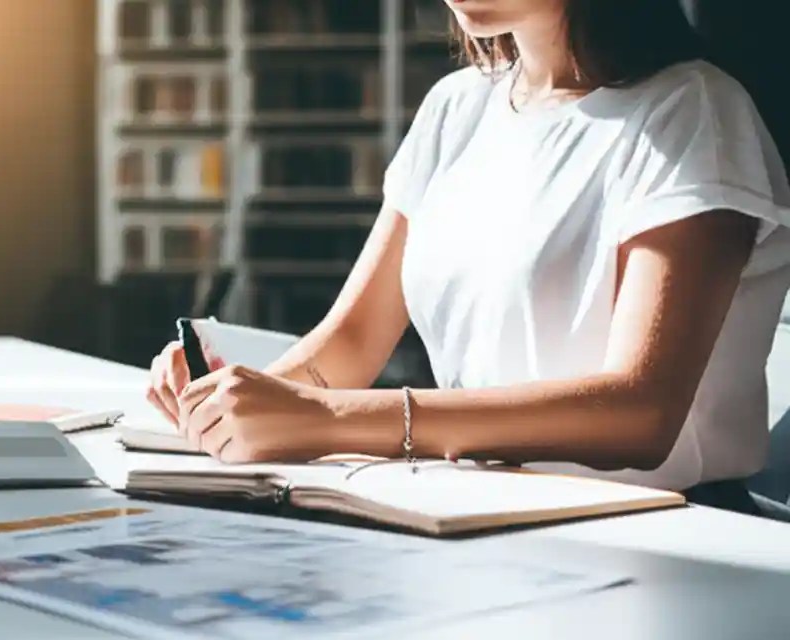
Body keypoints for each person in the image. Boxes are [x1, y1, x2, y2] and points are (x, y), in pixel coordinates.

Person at [145, 0, 790, 516]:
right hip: (477, 509)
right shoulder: (456, 108)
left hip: (666, 531)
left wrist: (326, 420)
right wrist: (229, 404)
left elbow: (641, 414)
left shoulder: (693, 111)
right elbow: (348, 343)